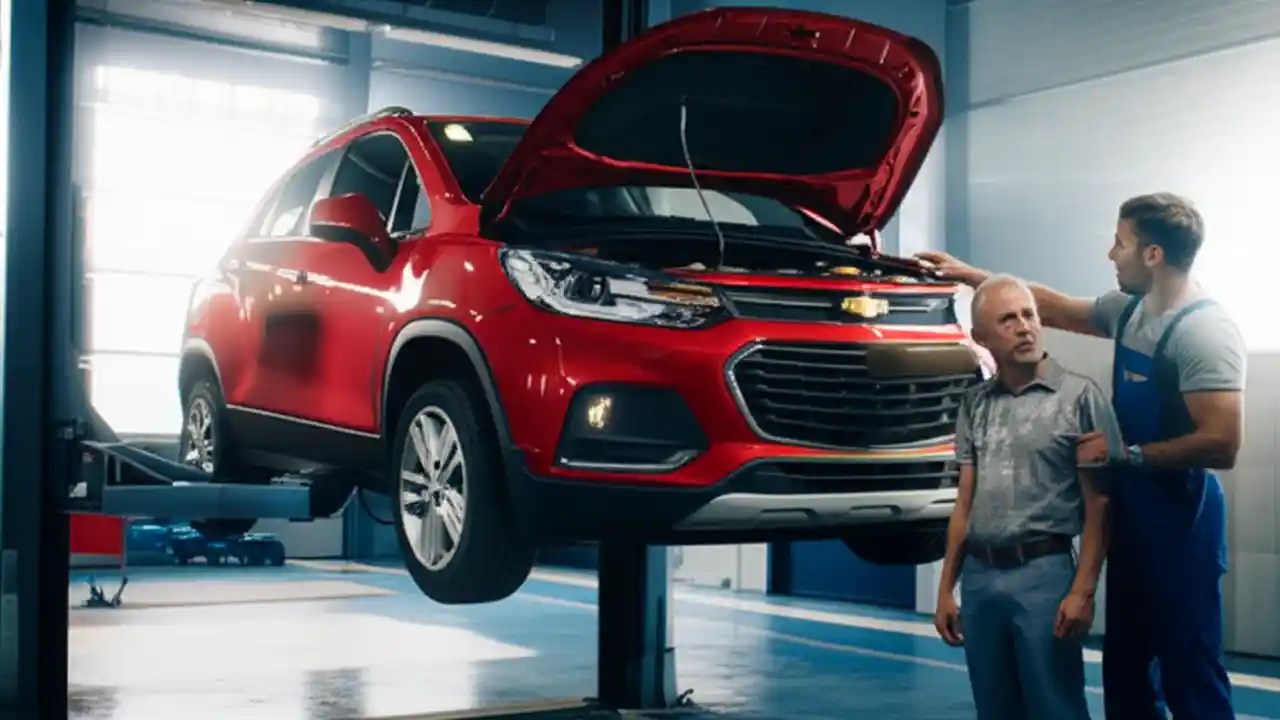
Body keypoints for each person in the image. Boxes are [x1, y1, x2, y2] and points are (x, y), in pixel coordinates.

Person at [919, 192, 1244, 719]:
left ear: (1153, 255)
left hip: (1182, 523)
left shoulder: (1205, 332)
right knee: (1127, 672)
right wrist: (972, 276)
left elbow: (1223, 443)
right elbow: (1055, 306)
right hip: (1135, 519)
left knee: (1190, 671)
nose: (1111, 253)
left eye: (1120, 243)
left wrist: (1129, 454)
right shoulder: (1129, 310)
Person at [933, 273, 1117, 719]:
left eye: (1029, 315)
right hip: (980, 578)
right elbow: (965, 504)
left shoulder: (1080, 397)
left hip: (1044, 575)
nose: (1024, 327)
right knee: (994, 707)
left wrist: (1083, 591)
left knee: (1056, 706)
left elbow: (1100, 505)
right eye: (1008, 320)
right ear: (981, 337)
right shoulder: (975, 404)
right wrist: (946, 589)